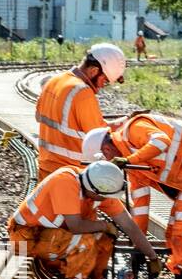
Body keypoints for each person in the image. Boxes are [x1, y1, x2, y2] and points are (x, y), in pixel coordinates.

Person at [83, 110, 182, 279]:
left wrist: (130, 159)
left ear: (106, 150)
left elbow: (161, 141)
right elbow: (140, 208)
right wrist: (138, 246)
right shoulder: (132, 168)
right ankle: (176, 271)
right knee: (174, 226)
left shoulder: (133, 128)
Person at [7, 160, 163, 279]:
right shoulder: (65, 182)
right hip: (26, 238)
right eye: (104, 196)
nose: (107, 200)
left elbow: (129, 226)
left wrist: (152, 256)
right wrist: (104, 225)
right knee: (86, 241)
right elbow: (76, 226)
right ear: (95, 191)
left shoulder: (93, 187)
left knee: (104, 238)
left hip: (52, 237)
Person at [34, 43, 125, 178]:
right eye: (104, 81)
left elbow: (40, 116)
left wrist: (116, 123)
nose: (101, 86)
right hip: (72, 172)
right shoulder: (83, 92)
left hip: (46, 168)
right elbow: (98, 137)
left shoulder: (55, 80)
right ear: (94, 71)